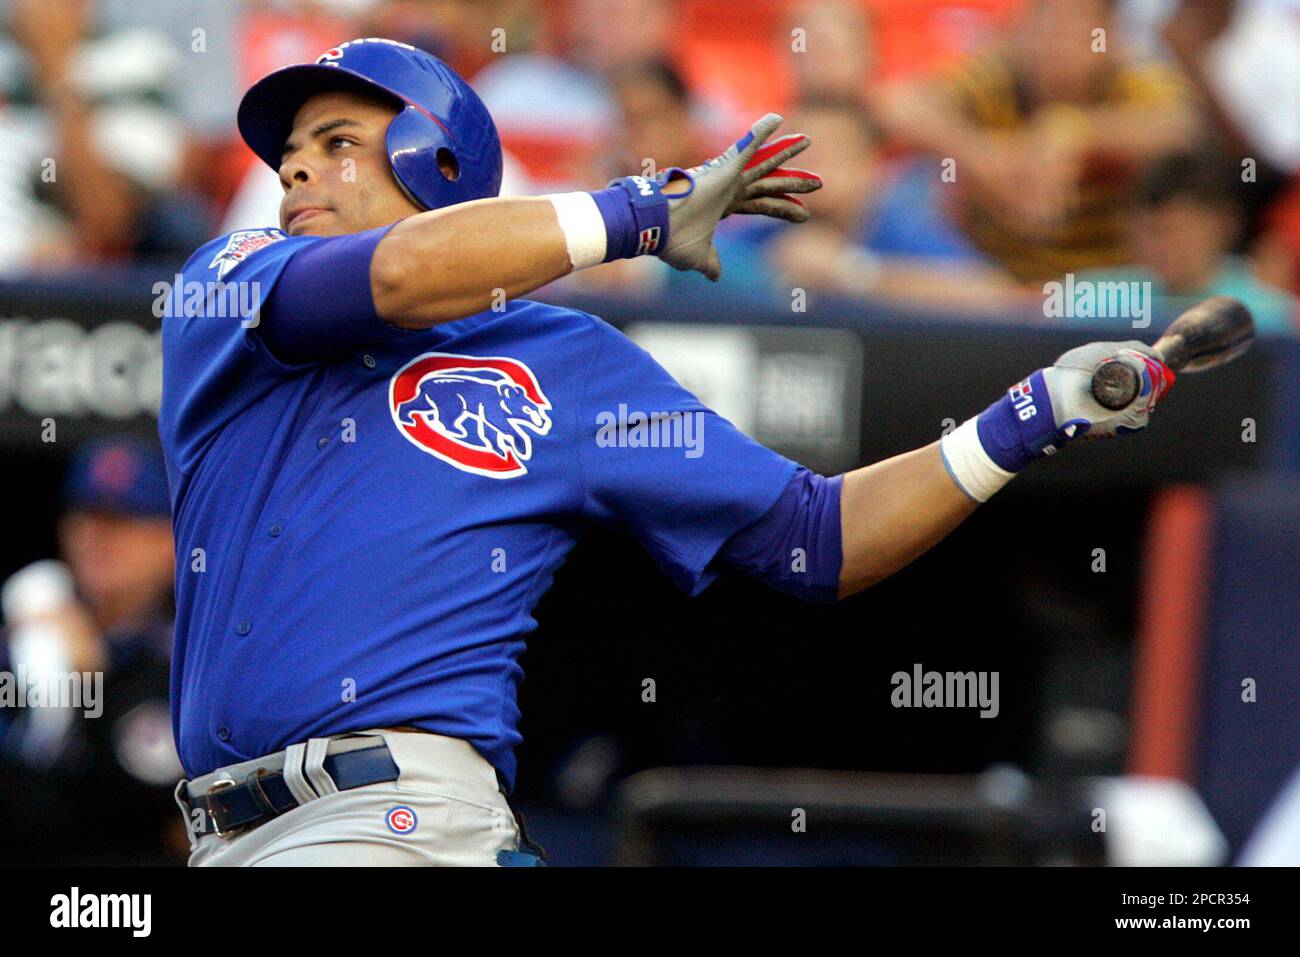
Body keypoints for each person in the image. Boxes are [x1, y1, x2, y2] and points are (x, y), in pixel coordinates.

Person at [160, 36, 1175, 867]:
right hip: (225, 837)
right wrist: (638, 212)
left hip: (394, 826)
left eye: (336, 140)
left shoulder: (564, 361)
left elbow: (815, 540)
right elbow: (393, 280)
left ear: (436, 161)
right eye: (289, 150)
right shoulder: (232, 283)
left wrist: (1029, 417)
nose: (294, 166)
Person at [0, 437, 185, 865]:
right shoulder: (25, 642)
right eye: (83, 515)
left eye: (122, 519)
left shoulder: (192, 657)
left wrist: (94, 685)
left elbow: (154, 809)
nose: (94, 537)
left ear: (169, 539)